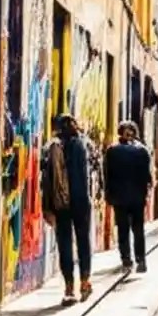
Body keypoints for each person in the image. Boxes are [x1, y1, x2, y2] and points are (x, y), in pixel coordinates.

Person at [41, 114, 94, 305]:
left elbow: (45, 179)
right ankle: (85, 282)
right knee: (83, 242)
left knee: (65, 245)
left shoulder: (51, 147)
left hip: (61, 203)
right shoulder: (85, 144)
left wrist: (47, 206)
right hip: (81, 202)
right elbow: (94, 172)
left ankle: (69, 287)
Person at [104, 120, 154, 273]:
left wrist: (108, 195)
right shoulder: (143, 151)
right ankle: (141, 259)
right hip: (138, 199)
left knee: (123, 230)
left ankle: (126, 260)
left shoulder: (111, 151)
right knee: (138, 229)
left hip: (119, 198)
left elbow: (107, 176)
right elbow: (148, 178)